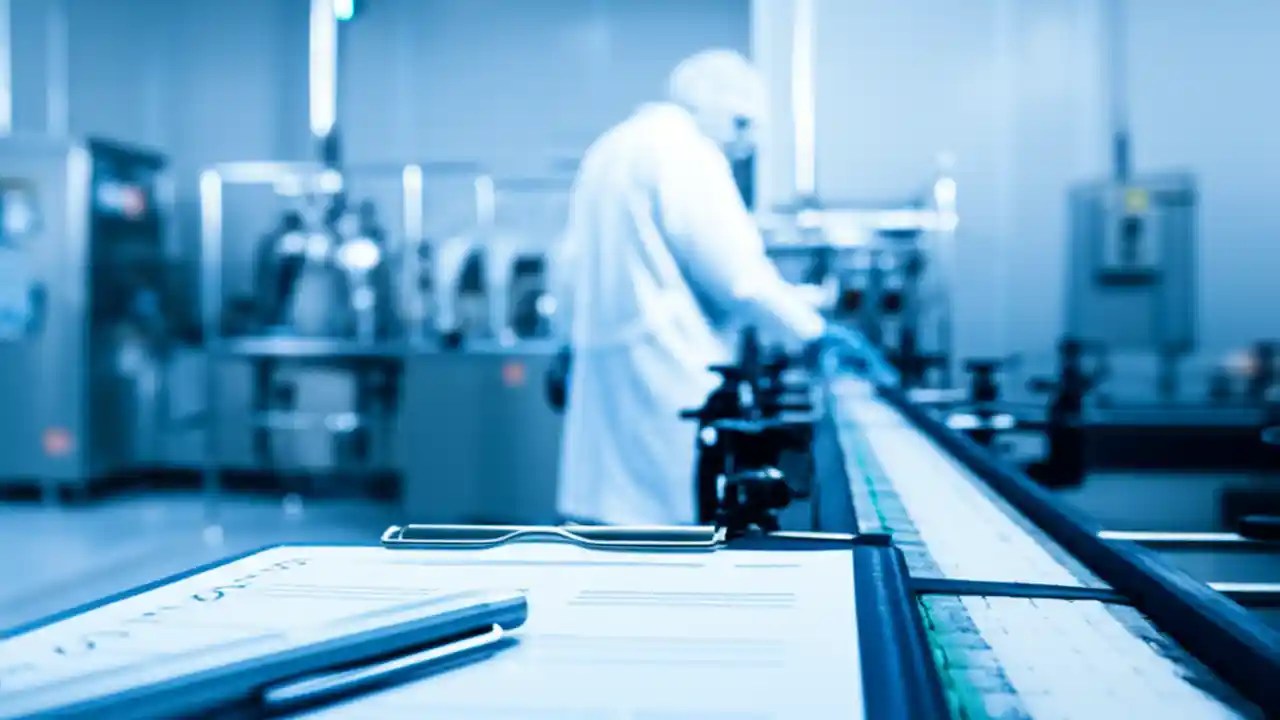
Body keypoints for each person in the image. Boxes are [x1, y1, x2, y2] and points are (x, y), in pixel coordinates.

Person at [553, 49, 875, 526]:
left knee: (614, 537)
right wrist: (814, 334)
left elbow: (568, 264)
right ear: (732, 116)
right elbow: (740, 279)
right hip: (668, 375)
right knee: (669, 539)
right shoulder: (687, 152)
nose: (743, 148)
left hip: (607, 374)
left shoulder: (610, 148)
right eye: (744, 129)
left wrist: (565, 343)